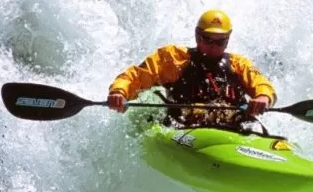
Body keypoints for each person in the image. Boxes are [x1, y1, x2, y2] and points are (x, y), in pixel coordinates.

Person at [106, 9, 277, 127]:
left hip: (233, 128)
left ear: (228, 39)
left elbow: (261, 83)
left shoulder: (239, 64)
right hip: (183, 128)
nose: (213, 46)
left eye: (220, 41)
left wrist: (263, 98)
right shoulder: (173, 58)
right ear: (197, 35)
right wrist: (119, 93)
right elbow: (134, 76)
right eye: (207, 39)